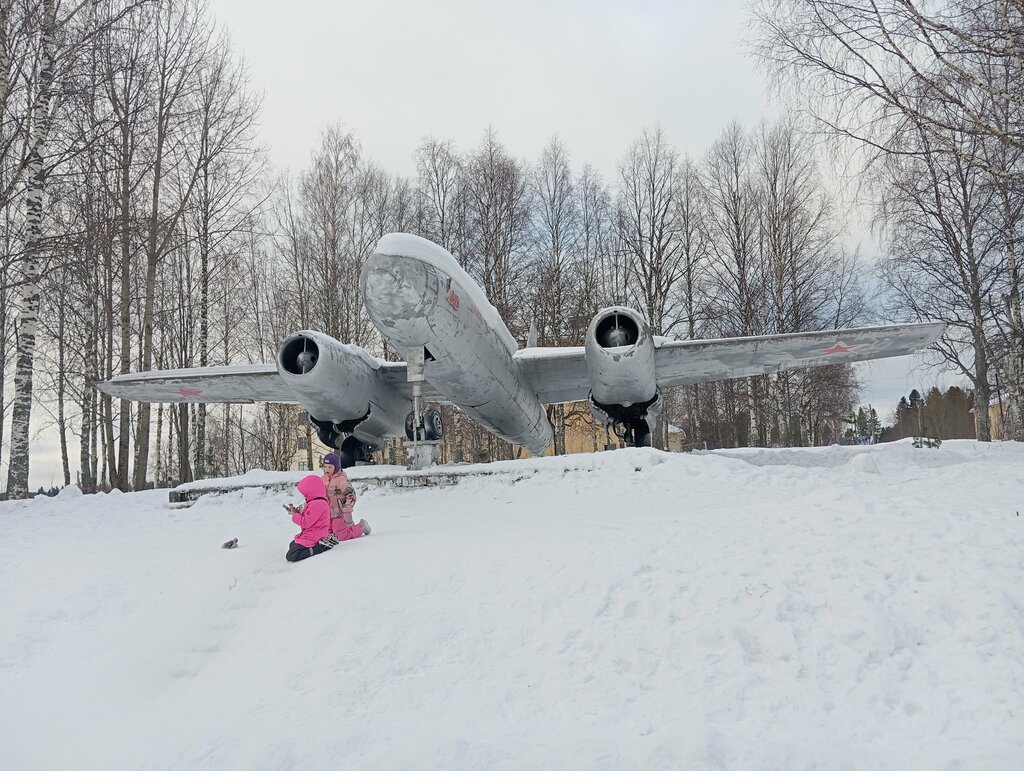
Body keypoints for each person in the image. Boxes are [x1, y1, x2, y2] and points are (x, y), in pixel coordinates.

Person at [322, 452, 362, 536]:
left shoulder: (341, 480)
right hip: (326, 513)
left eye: (330, 467)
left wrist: (348, 506)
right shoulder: (322, 479)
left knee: (341, 535)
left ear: (336, 467)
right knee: (327, 533)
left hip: (339, 513)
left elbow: (351, 494)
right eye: (325, 466)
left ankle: (361, 527)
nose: (327, 469)